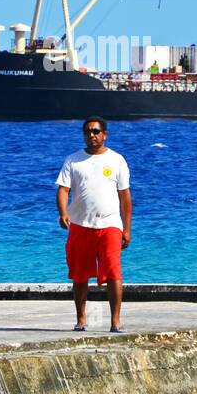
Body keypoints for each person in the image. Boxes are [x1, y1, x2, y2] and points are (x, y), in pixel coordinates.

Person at [55, 117, 131, 332]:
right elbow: (63, 189)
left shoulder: (117, 160)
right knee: (79, 274)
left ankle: (115, 321)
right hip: (80, 224)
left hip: (110, 225)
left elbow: (125, 196)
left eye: (96, 131)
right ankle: (81, 319)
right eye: (88, 131)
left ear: (104, 134)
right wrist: (63, 213)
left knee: (114, 272)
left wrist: (127, 228)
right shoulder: (73, 160)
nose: (92, 135)